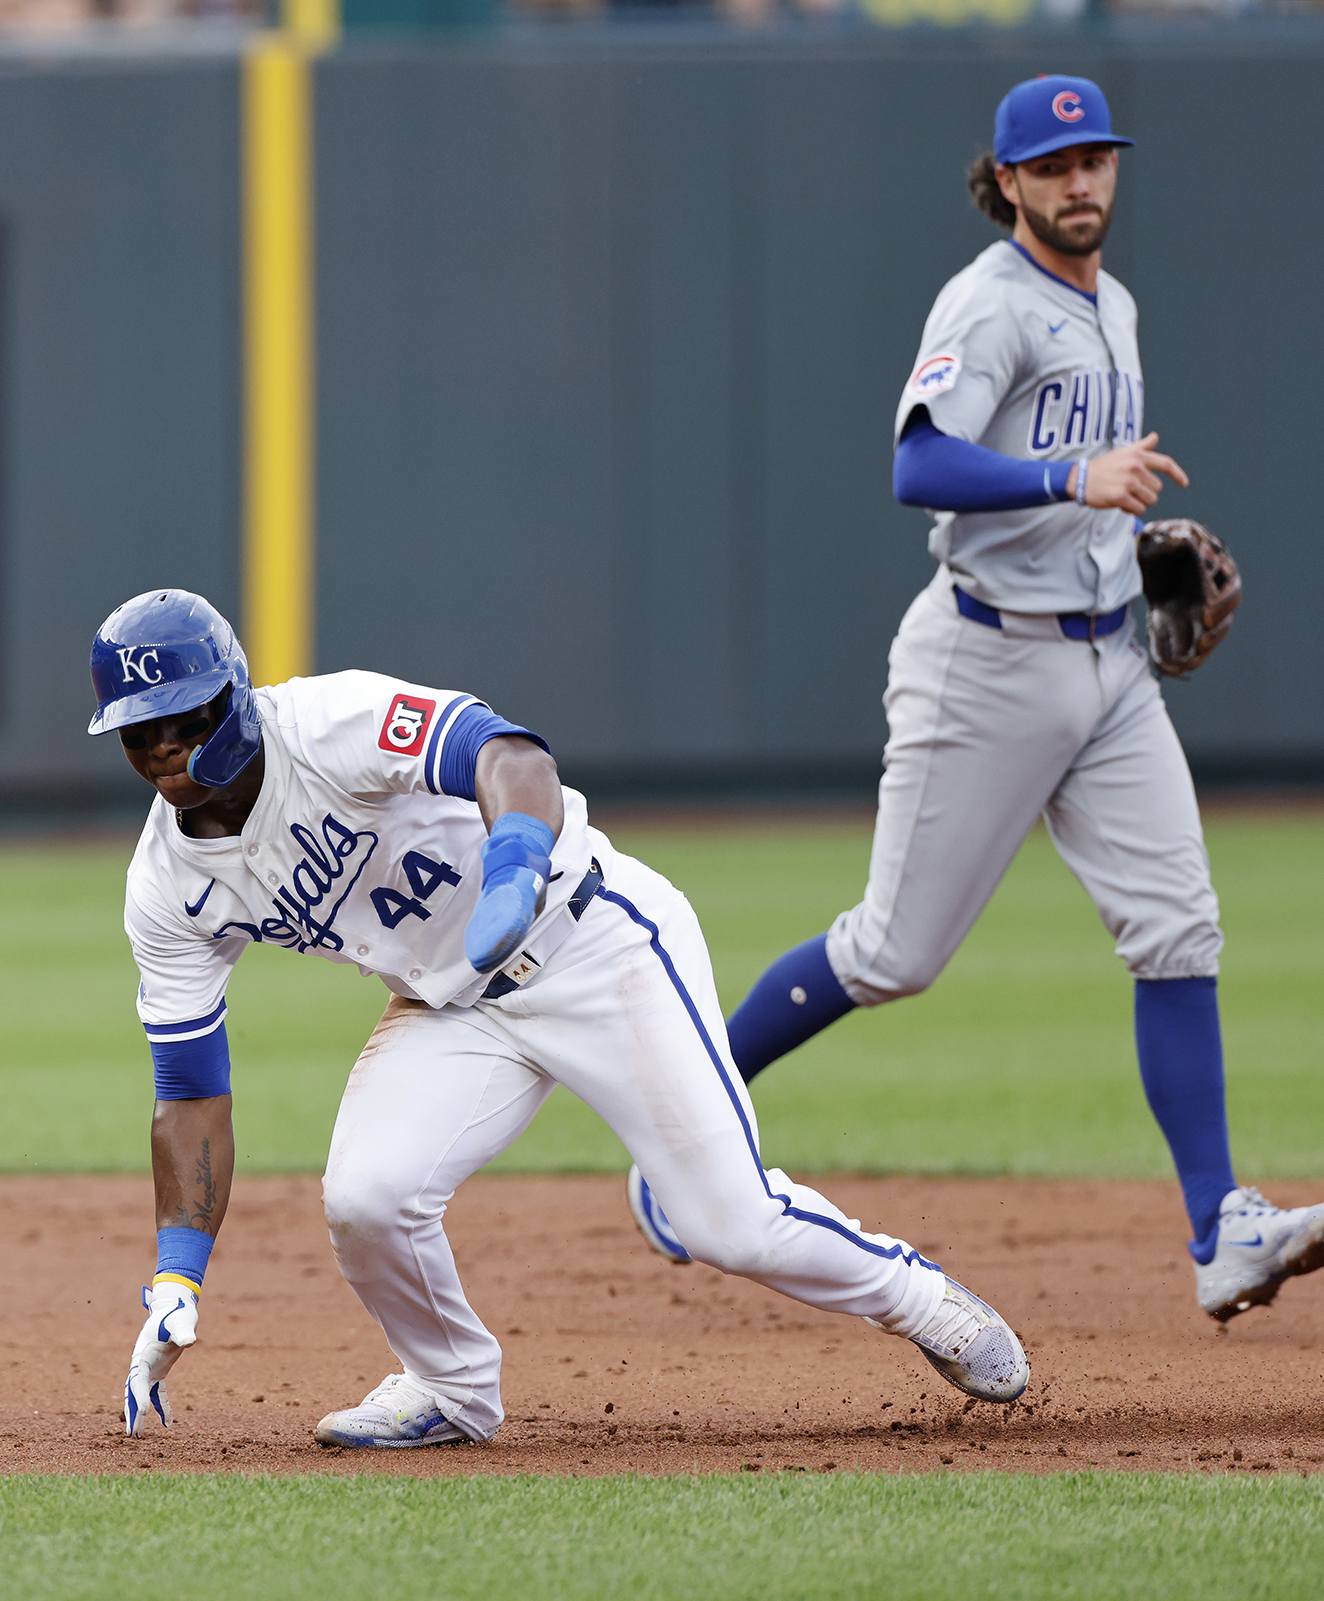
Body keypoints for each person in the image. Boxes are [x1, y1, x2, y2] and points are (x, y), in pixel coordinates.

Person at [624, 75, 1324, 1327]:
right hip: (984, 662)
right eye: (1053, 166)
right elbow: (921, 462)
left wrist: (1125, 534)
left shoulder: (1114, 303)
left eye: (1095, 159)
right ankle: (684, 1138)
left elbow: (1085, 491)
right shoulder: (987, 301)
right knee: (894, 954)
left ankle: (1221, 1227)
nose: (1080, 182)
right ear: (1006, 181)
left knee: (1178, 932)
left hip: (1108, 665)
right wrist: (1073, 471)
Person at [89, 589, 1028, 1451]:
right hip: (448, 1006)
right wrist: (178, 1273)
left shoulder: (328, 724)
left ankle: (920, 1299)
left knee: (729, 1222)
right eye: (139, 732)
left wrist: (512, 864)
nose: (164, 746)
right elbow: (189, 1091)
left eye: (184, 716)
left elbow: (509, 755)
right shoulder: (165, 887)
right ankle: (450, 1386)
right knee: (366, 1199)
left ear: (236, 695)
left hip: (588, 934)